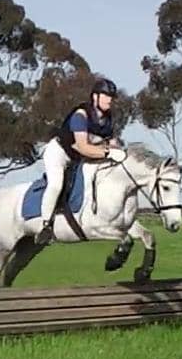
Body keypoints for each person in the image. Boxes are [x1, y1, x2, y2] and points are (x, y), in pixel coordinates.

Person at [35, 78, 126, 245]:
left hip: (79, 158)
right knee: (56, 184)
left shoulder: (107, 119)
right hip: (59, 153)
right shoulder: (81, 115)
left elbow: (112, 143)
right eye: (106, 96)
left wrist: (120, 153)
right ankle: (46, 226)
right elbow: (83, 147)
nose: (110, 100)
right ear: (95, 97)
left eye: (112, 97)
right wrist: (108, 153)